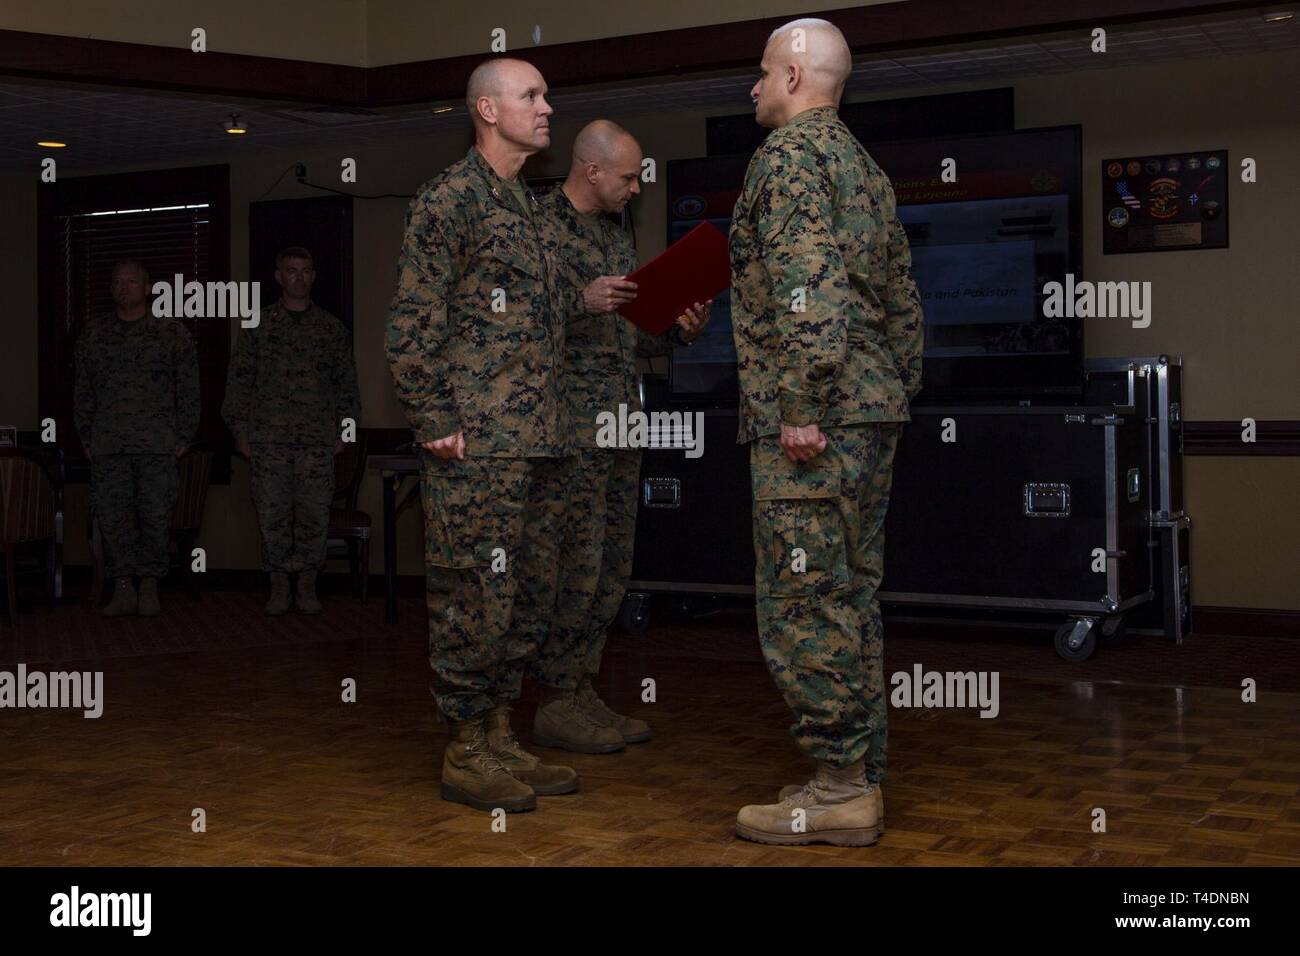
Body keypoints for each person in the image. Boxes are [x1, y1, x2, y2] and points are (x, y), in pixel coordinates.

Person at [728, 18, 924, 846]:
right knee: (851, 595)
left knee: (806, 601)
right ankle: (855, 773)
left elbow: (806, 289)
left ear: (798, 77)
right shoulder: (865, 166)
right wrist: (890, 391)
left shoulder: (790, 158)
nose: (755, 87)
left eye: (766, 73)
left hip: (816, 415)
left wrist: (801, 404)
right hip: (869, 410)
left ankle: (840, 785)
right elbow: (903, 302)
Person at [386, 57, 580, 813]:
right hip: (479, 447)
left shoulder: (528, 206)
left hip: (538, 441)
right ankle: (466, 746)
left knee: (525, 599)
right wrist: (436, 422)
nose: (546, 107)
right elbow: (411, 326)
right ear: (488, 111)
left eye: (546, 94)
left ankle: (500, 734)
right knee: (476, 596)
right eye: (531, 96)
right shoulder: (449, 200)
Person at [532, 119, 710, 752]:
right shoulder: (535, 231)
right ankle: (554, 698)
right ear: (593, 171)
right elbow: (500, 325)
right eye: (630, 177)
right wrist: (577, 302)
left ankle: (582, 691)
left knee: (611, 565)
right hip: (568, 431)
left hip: (619, 424)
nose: (638, 188)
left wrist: (675, 324)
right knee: (573, 567)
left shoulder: (612, 237)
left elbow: (628, 330)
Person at [223, 247, 360, 615]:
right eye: (291, 271)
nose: (298, 277)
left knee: (315, 515)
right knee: (272, 515)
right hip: (268, 441)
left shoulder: (332, 329)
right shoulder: (257, 326)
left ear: (313, 276)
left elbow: (347, 386)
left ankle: (307, 584)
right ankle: (279, 584)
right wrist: (240, 432)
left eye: (305, 270)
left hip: (317, 441)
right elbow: (239, 383)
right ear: (278, 276)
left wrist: (344, 432)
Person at [74, 259, 200, 618]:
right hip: (109, 444)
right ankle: (123, 586)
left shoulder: (172, 333)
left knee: (155, 516)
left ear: (148, 288)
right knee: (113, 518)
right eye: (116, 282)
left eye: (131, 282)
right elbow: (83, 392)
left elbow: (189, 389)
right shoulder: (94, 335)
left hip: (157, 445)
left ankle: (149, 585)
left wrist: (184, 435)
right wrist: (86, 436)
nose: (123, 288)